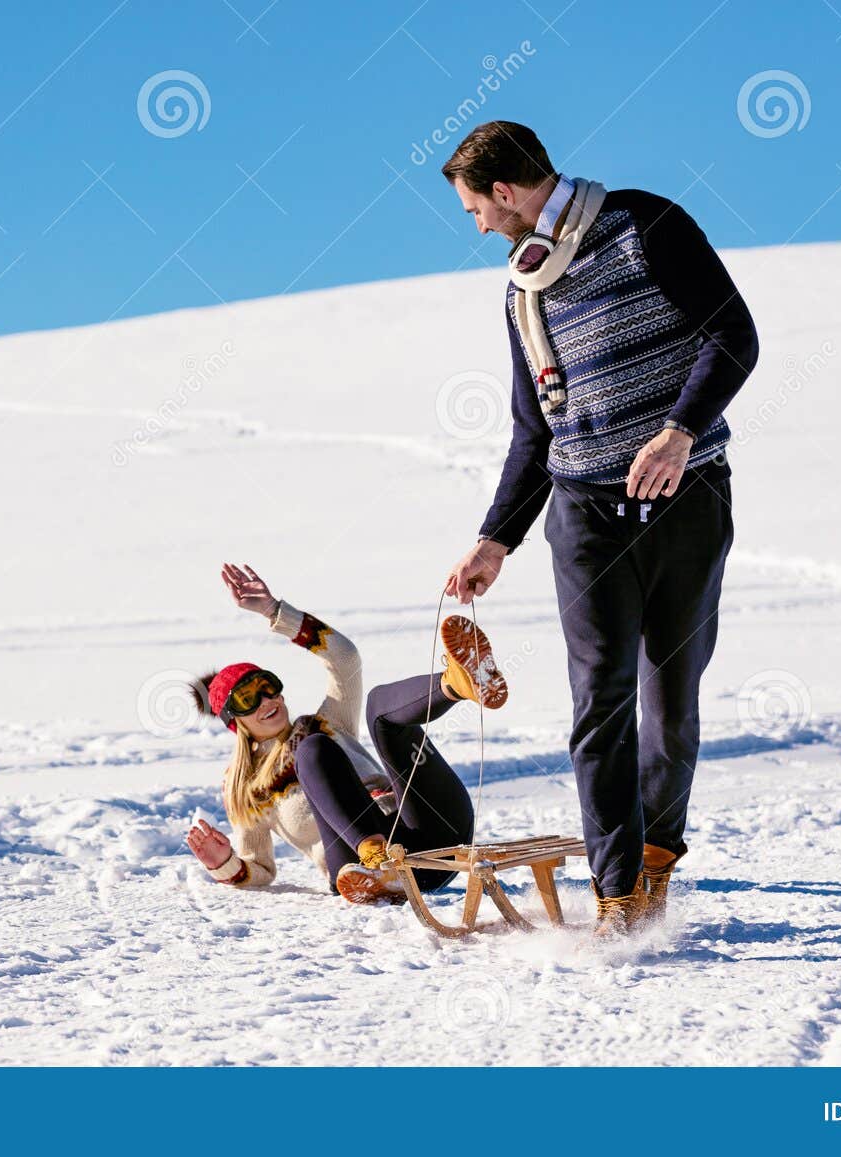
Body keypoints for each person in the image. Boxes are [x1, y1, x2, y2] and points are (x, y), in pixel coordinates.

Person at [439, 121, 759, 937]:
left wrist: (680, 430)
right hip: (583, 513)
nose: (478, 225)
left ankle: (656, 855)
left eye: (476, 208)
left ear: (504, 192)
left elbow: (735, 336)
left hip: (688, 498)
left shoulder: (646, 225)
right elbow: (534, 430)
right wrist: (495, 537)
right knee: (600, 698)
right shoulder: (523, 290)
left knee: (670, 698)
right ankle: (616, 892)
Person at [185, 563, 508, 904]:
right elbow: (260, 869)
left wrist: (273, 611)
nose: (267, 700)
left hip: (431, 842)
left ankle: (457, 684)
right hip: (358, 872)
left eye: (269, 686)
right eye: (248, 698)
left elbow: (345, 660)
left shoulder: (327, 723)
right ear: (234, 721)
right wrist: (224, 864)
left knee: (379, 709)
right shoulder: (246, 785)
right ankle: (374, 855)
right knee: (312, 749)